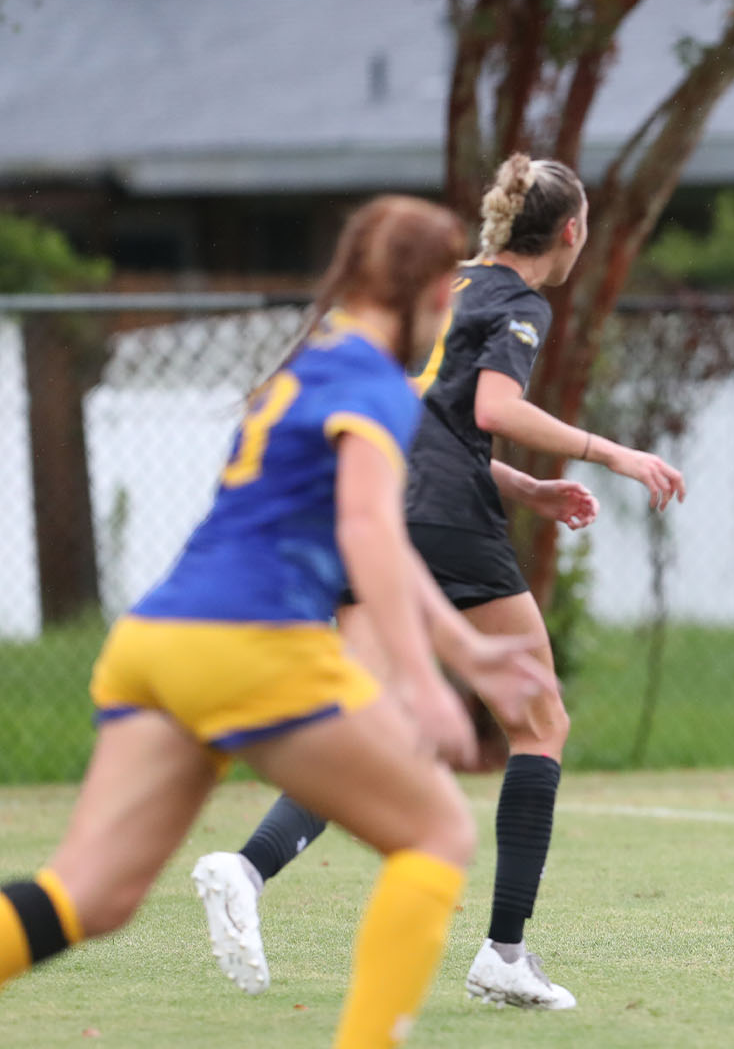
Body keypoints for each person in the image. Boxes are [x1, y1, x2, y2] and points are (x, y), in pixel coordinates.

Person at [0, 195, 555, 1048]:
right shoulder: (375, 381)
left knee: (91, 895)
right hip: (251, 643)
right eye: (442, 294)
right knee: (438, 831)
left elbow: (376, 535)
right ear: (417, 291)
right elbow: (369, 533)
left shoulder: (312, 359)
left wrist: (466, 656)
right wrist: (424, 678)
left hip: (157, 640)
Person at [192, 155, 685, 1010]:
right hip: (447, 522)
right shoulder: (519, 302)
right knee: (538, 720)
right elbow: (493, 408)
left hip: (370, 508)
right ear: (570, 232)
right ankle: (504, 953)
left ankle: (246, 869)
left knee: (369, 723)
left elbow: (429, 422)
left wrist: (524, 486)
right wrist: (612, 453)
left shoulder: (441, 285)